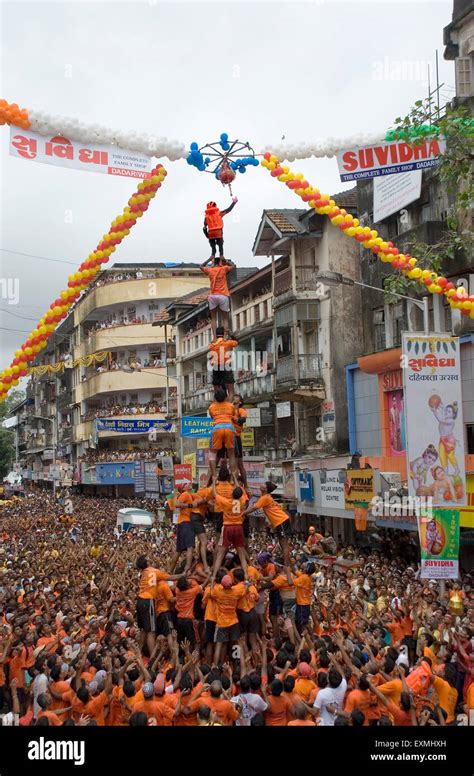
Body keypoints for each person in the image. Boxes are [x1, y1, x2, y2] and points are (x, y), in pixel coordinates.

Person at [243, 482, 292, 567]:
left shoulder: (265, 497)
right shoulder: (264, 497)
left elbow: (254, 507)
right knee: (282, 544)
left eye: (264, 484)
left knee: (284, 545)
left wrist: (243, 513)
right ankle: (288, 563)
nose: (261, 485)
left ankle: (287, 565)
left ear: (265, 489)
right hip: (281, 521)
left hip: (281, 521)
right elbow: (254, 506)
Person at [200, 253, 236, 338]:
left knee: (213, 318)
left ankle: (215, 337)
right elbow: (233, 266)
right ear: (220, 262)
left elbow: (201, 266)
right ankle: (225, 337)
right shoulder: (224, 268)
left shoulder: (210, 270)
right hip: (223, 295)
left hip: (213, 296)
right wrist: (225, 260)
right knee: (225, 318)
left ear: (213, 263)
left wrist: (209, 259)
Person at [208, 389, 239, 482]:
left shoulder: (211, 407)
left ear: (215, 398)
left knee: (212, 454)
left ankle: (214, 476)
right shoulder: (231, 406)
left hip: (217, 428)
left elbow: (212, 417)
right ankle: (233, 478)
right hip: (229, 428)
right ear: (226, 397)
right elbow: (235, 417)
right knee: (231, 454)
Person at [208, 327, 238, 402]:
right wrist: (231, 334)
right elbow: (236, 342)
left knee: (216, 392)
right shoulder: (227, 342)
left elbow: (211, 355)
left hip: (216, 367)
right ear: (224, 334)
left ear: (215, 335)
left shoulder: (212, 345)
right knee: (231, 391)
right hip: (226, 366)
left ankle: (218, 405)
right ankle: (229, 407)